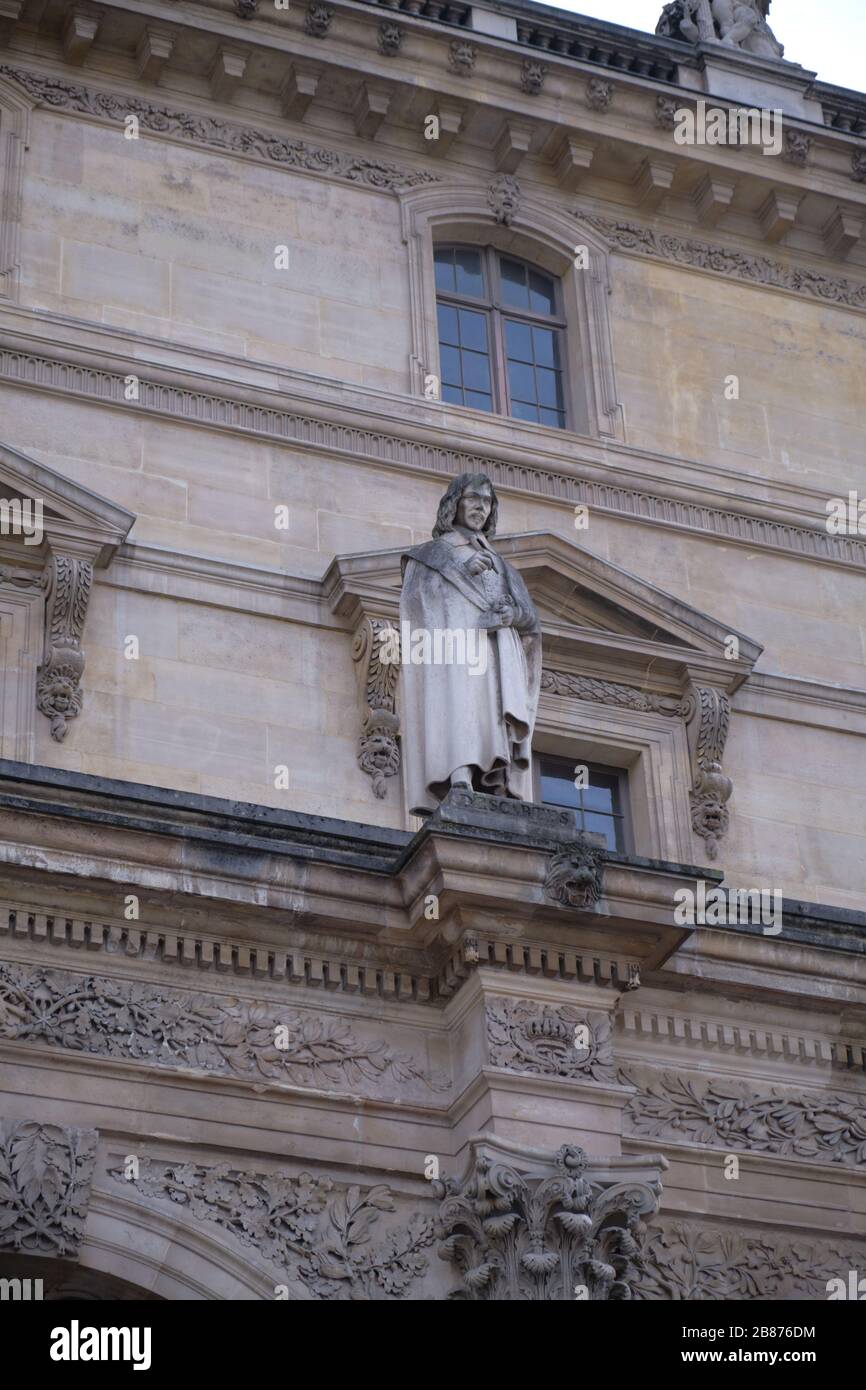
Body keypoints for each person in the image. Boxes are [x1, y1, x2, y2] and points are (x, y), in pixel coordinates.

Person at [400, 472, 541, 816]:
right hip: (455, 653)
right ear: (454, 504)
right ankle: (459, 775)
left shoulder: (504, 566)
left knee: (490, 715)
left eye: (487, 501)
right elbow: (417, 605)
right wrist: (462, 571)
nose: (481, 506)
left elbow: (531, 622)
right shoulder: (430, 556)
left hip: (497, 653)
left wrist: (513, 613)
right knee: (459, 708)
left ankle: (496, 782)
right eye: (473, 498)